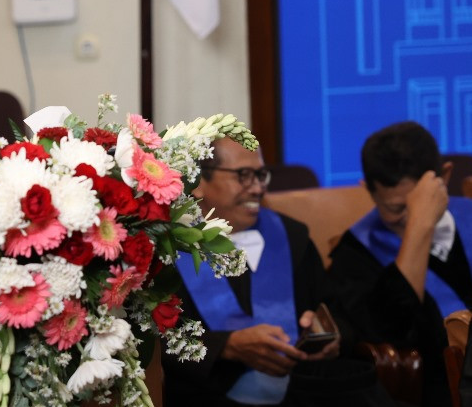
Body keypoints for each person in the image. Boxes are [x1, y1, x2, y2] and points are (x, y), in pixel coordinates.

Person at [165, 136, 361, 407]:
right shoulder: (167, 250)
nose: (257, 188)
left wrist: (331, 335)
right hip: (209, 395)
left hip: (303, 392)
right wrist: (226, 346)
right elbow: (156, 343)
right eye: (243, 175)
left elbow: (338, 313)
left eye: (261, 175)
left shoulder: (293, 237)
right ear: (198, 183)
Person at [329, 120, 472, 407]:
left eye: (419, 203)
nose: (409, 217)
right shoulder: (355, 253)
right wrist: (420, 228)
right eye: (396, 208)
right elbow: (388, 335)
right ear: (368, 191)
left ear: (443, 176)